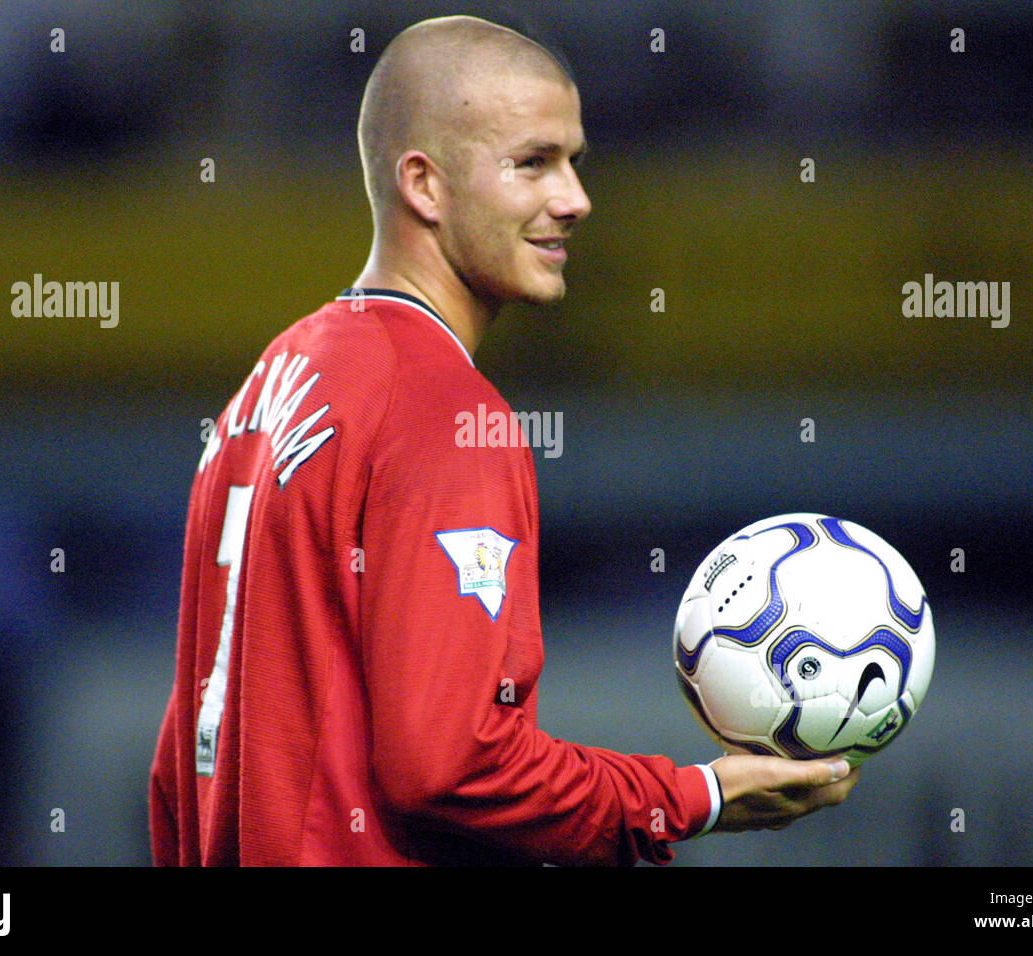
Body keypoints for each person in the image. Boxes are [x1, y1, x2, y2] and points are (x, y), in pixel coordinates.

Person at [149, 14, 858, 867]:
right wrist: (692, 797)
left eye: (574, 162)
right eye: (532, 163)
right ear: (426, 184)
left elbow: (172, 769)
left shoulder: (275, 380)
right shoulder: (446, 415)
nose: (576, 199)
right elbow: (445, 764)